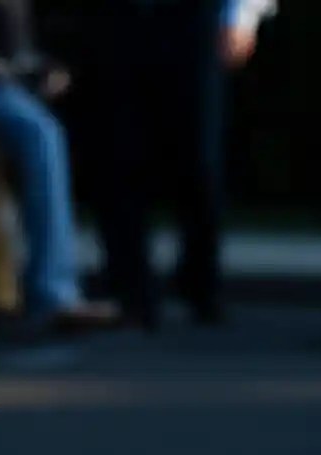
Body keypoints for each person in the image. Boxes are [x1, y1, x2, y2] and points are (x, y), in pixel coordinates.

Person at [88, 0, 277, 329]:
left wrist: (242, 17)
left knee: (199, 160)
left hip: (193, 19)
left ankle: (200, 283)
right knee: (119, 157)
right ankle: (131, 287)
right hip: (121, 19)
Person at [0, 0, 119, 331]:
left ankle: (47, 291)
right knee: (42, 135)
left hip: (13, 84)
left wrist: (48, 65)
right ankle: (54, 292)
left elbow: (31, 43)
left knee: (49, 133)